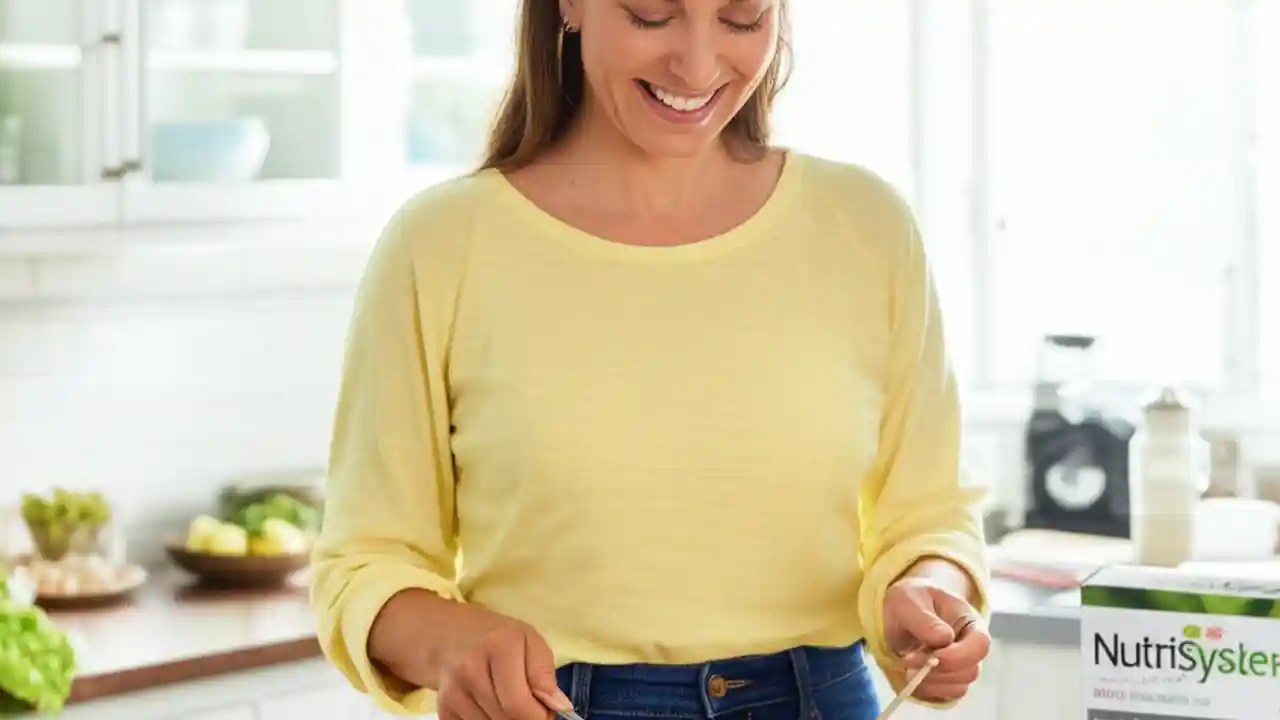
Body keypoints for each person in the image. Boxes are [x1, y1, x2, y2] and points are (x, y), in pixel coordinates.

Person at [311, 1, 992, 718]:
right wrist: (455, 645)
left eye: (741, 19)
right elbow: (363, 563)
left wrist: (927, 590)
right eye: (650, 15)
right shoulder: (443, 244)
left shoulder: (865, 226)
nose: (697, 66)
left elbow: (930, 512)